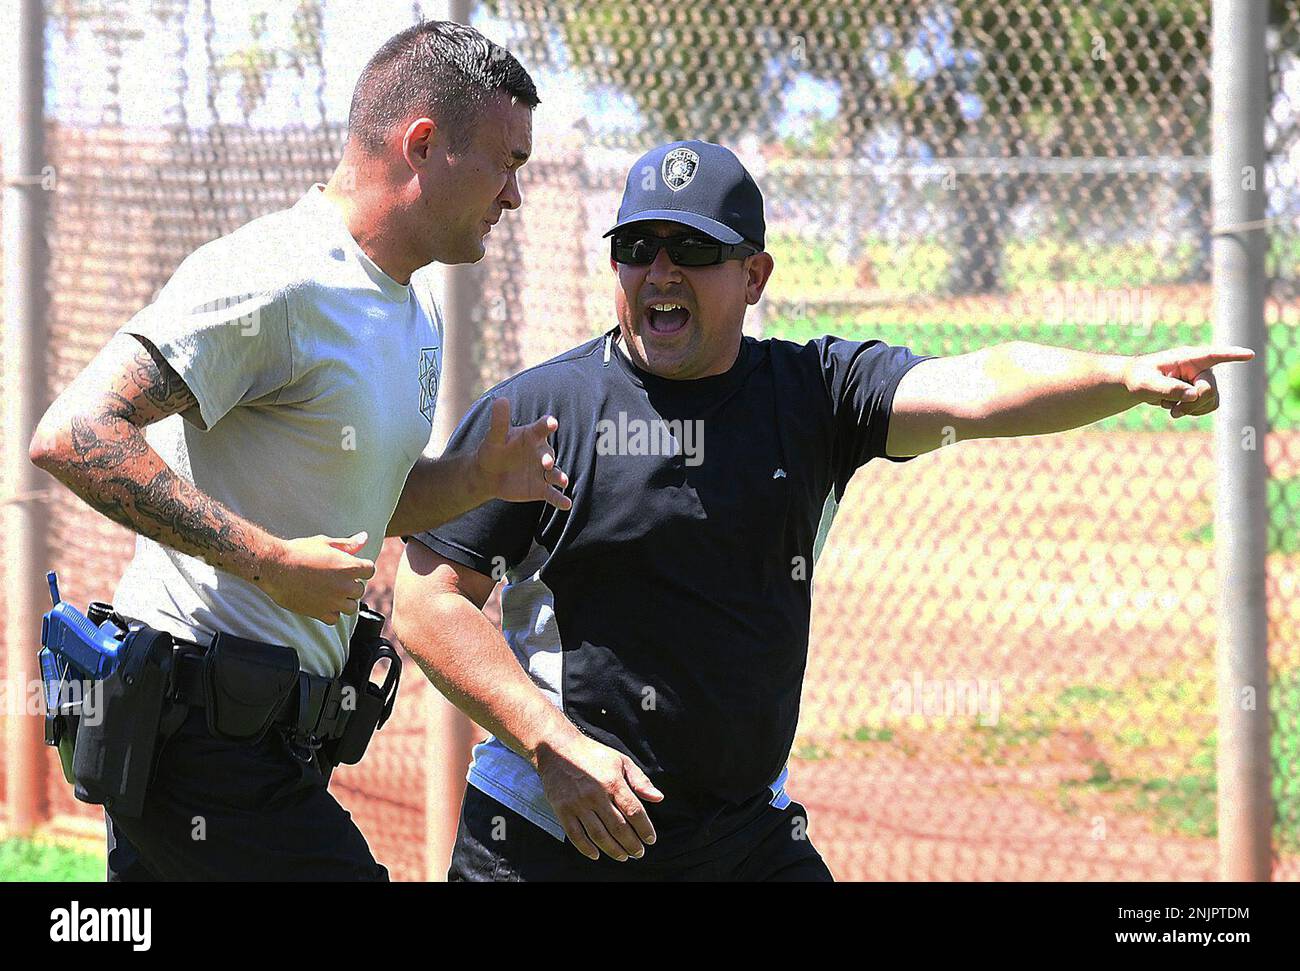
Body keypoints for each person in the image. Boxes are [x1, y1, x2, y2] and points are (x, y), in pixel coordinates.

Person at [392, 139, 1255, 882]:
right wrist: (552, 745)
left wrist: (1123, 376)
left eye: (691, 248)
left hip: (739, 835)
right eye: (637, 246)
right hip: (555, 829)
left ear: (755, 274)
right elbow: (427, 601)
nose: (660, 271)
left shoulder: (812, 395)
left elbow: (981, 383)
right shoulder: (547, 410)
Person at [28, 20, 569, 882]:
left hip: (276, 743)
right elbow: (75, 433)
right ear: (423, 144)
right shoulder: (276, 274)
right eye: (508, 162)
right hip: (197, 737)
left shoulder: (412, 309)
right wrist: (268, 560)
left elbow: (360, 501)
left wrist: (473, 480)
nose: (514, 196)